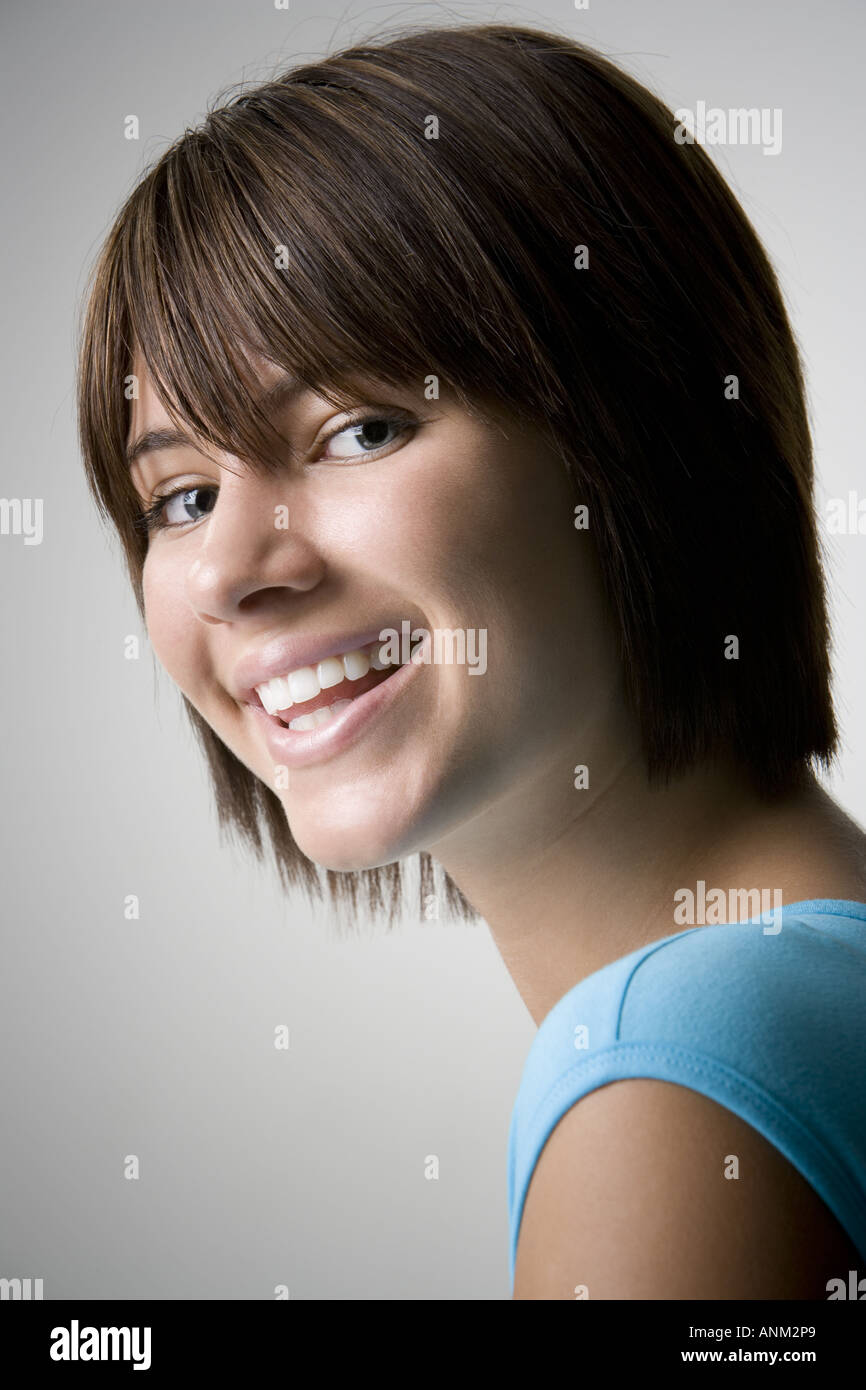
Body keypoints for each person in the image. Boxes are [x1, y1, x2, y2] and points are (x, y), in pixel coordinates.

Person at [77, 22, 866, 1298]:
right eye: (176, 497)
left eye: (357, 429)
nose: (228, 569)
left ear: (638, 426)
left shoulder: (674, 1088)